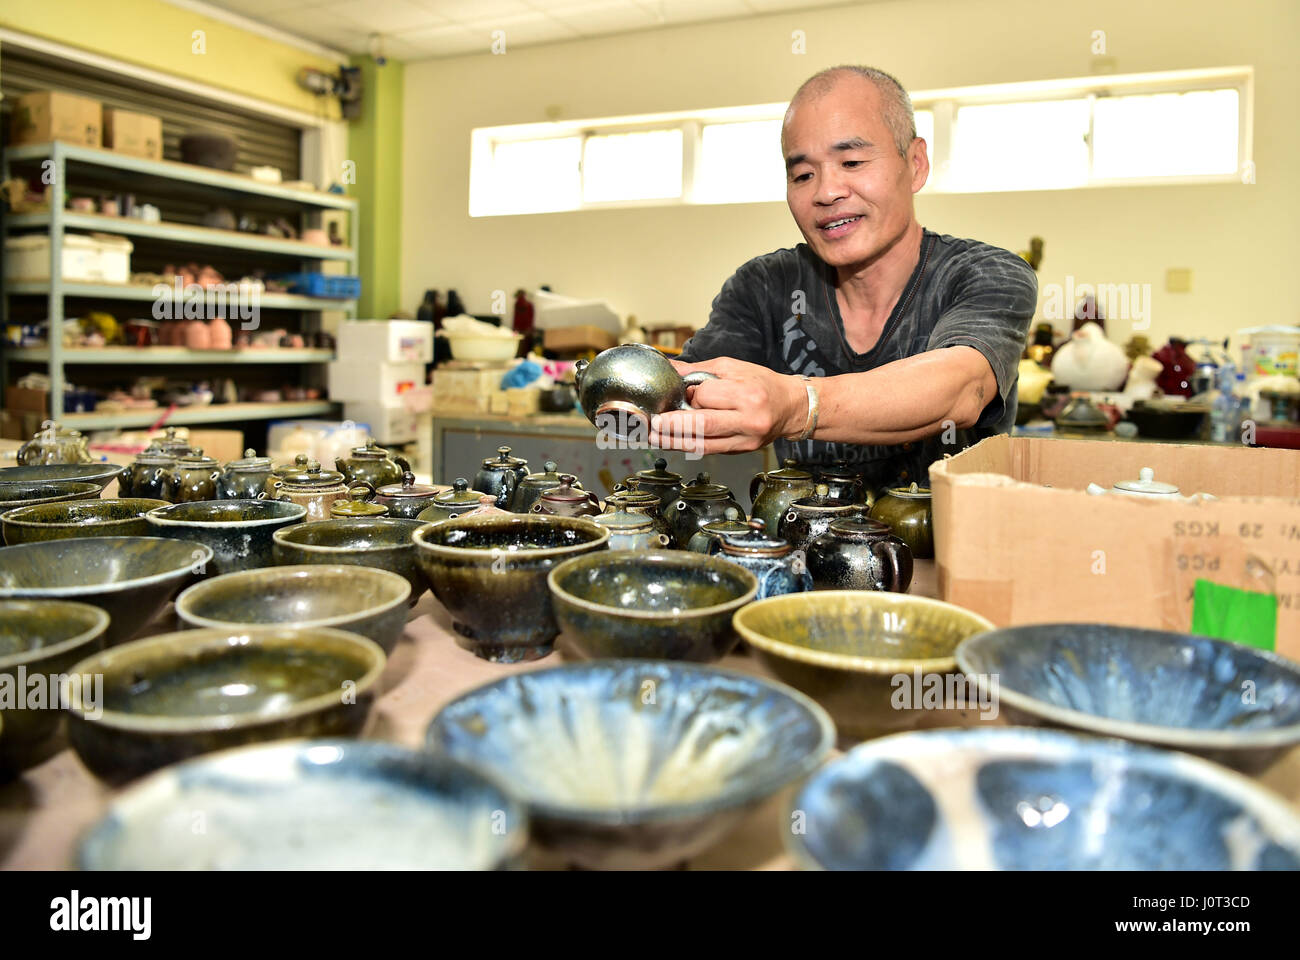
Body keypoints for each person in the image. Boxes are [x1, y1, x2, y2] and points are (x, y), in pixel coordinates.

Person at [649, 65, 1038, 490]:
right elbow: (686, 386)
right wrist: (639, 389)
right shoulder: (765, 286)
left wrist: (798, 406)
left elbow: (963, 388)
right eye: (802, 175)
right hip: (807, 549)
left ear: (916, 163)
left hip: (960, 548)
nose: (826, 192)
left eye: (851, 161)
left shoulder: (987, 274)